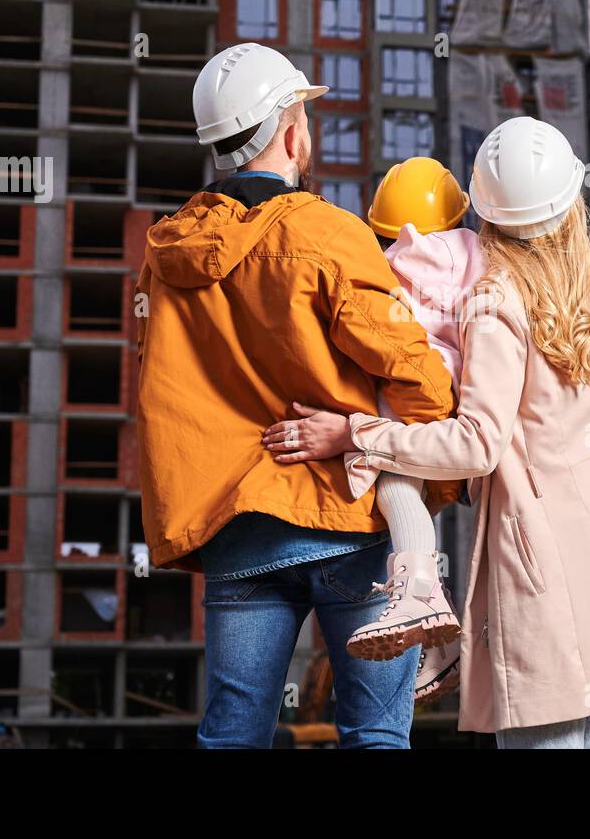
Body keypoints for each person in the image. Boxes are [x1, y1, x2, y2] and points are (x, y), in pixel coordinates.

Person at [263, 116, 590, 748]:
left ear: (486, 217)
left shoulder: (495, 304)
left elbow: (476, 443)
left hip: (546, 588)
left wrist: (357, 435)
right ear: (572, 202)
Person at [135, 43, 458, 748]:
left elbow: (162, 395)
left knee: (232, 736)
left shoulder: (166, 254)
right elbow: (408, 363)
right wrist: (435, 467)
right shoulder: (326, 232)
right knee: (375, 734)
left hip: (237, 527)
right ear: (290, 129)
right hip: (346, 518)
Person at [347, 157, 482, 702]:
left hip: (409, 388)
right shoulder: (479, 253)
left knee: (393, 480)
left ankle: (420, 590)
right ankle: (439, 646)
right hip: (463, 398)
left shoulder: (382, 263)